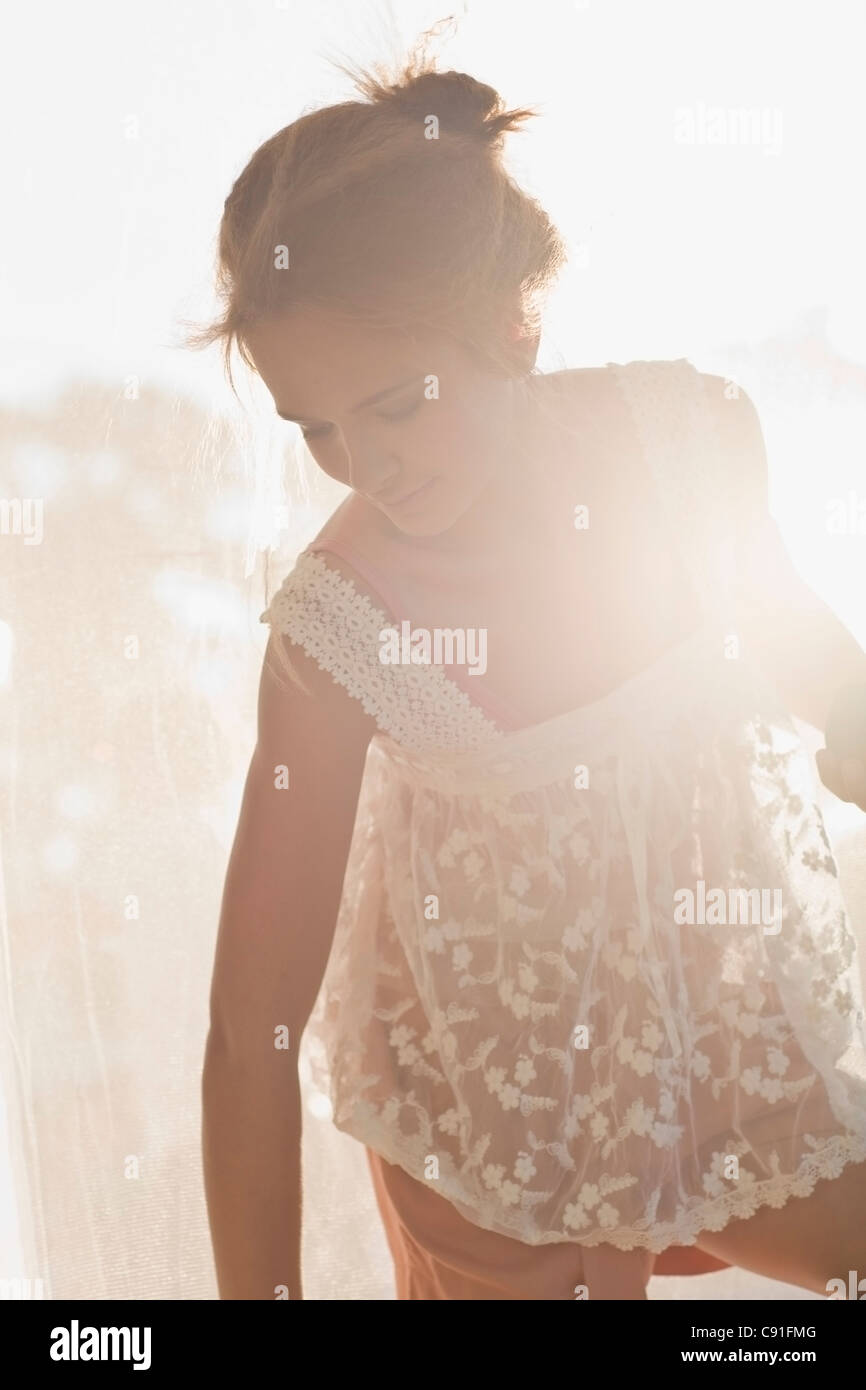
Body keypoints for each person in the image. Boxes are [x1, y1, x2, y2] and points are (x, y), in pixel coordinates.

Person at [193, 53, 866, 1300]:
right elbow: (250, 1031)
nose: (364, 466)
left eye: (395, 406)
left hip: (716, 1041)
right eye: (317, 429)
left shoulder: (690, 441)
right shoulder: (336, 627)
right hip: (487, 1114)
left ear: (515, 316)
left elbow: (808, 661)